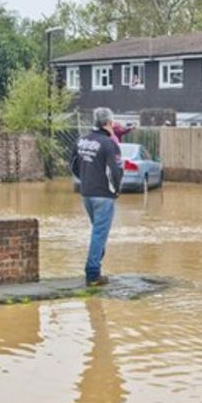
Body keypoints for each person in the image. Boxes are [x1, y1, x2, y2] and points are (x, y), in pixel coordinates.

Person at [71, 107, 123, 286]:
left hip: (86, 193)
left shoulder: (82, 140)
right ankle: (93, 273)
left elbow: (73, 165)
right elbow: (116, 170)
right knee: (99, 233)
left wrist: (84, 180)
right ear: (108, 123)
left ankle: (96, 264)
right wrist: (116, 189)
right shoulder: (109, 143)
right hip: (103, 194)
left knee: (97, 231)